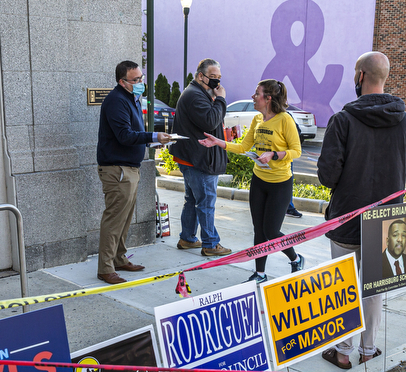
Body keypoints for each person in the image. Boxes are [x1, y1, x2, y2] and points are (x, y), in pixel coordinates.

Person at [317, 51, 406, 369]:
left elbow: (326, 176)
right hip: (388, 222)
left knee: (343, 287)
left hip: (346, 220)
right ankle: (369, 349)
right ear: (383, 77)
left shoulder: (342, 121)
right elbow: (403, 169)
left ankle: (343, 351)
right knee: (375, 289)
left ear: (360, 76)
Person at [200, 79, 304, 283]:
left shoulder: (285, 119)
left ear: (268, 98)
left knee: (271, 230)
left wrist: (274, 154)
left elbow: (296, 151)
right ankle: (260, 273)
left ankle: (296, 258)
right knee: (258, 230)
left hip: (280, 183)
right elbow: (243, 147)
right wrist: (218, 142)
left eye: (257, 93)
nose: (253, 97)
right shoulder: (257, 119)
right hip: (259, 180)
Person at [95, 60, 172, 285]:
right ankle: (105, 268)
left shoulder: (131, 99)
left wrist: (151, 142)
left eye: (141, 78)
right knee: (114, 219)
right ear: (122, 81)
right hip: (117, 170)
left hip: (130, 168)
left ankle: (119, 258)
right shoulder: (116, 101)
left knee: (125, 219)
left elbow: (134, 134)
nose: (140, 83)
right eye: (135, 80)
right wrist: (153, 136)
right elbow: (125, 136)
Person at [169, 59, 232, 257]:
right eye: (213, 78)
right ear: (200, 76)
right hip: (199, 160)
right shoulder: (195, 95)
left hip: (193, 158)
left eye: (219, 78)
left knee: (193, 200)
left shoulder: (198, 93)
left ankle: (187, 238)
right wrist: (221, 99)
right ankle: (211, 244)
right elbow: (211, 121)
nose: (217, 82)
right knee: (205, 202)